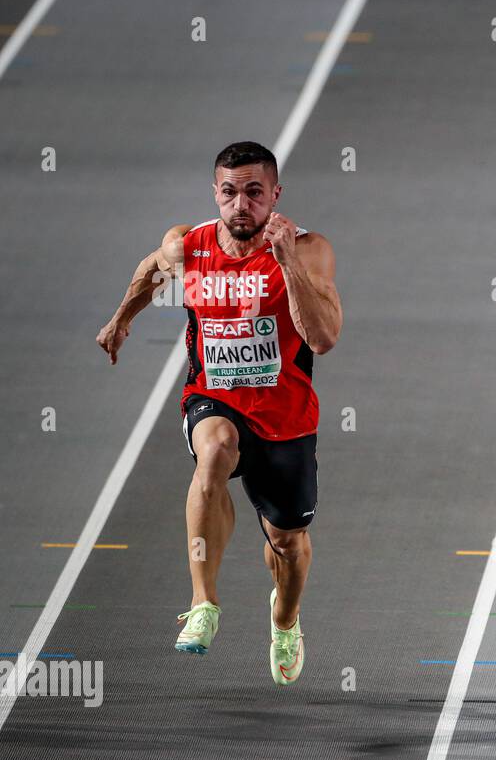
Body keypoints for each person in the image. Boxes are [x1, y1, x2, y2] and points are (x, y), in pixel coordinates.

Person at [96, 141, 342, 686]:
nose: (241, 205)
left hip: (286, 415)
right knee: (213, 453)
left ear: (275, 196)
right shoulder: (190, 246)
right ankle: (203, 602)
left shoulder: (307, 250)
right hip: (215, 396)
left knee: (287, 543)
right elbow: (150, 270)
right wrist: (121, 320)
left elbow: (322, 339)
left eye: (254, 193)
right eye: (229, 192)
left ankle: (285, 619)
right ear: (215, 194)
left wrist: (285, 264)